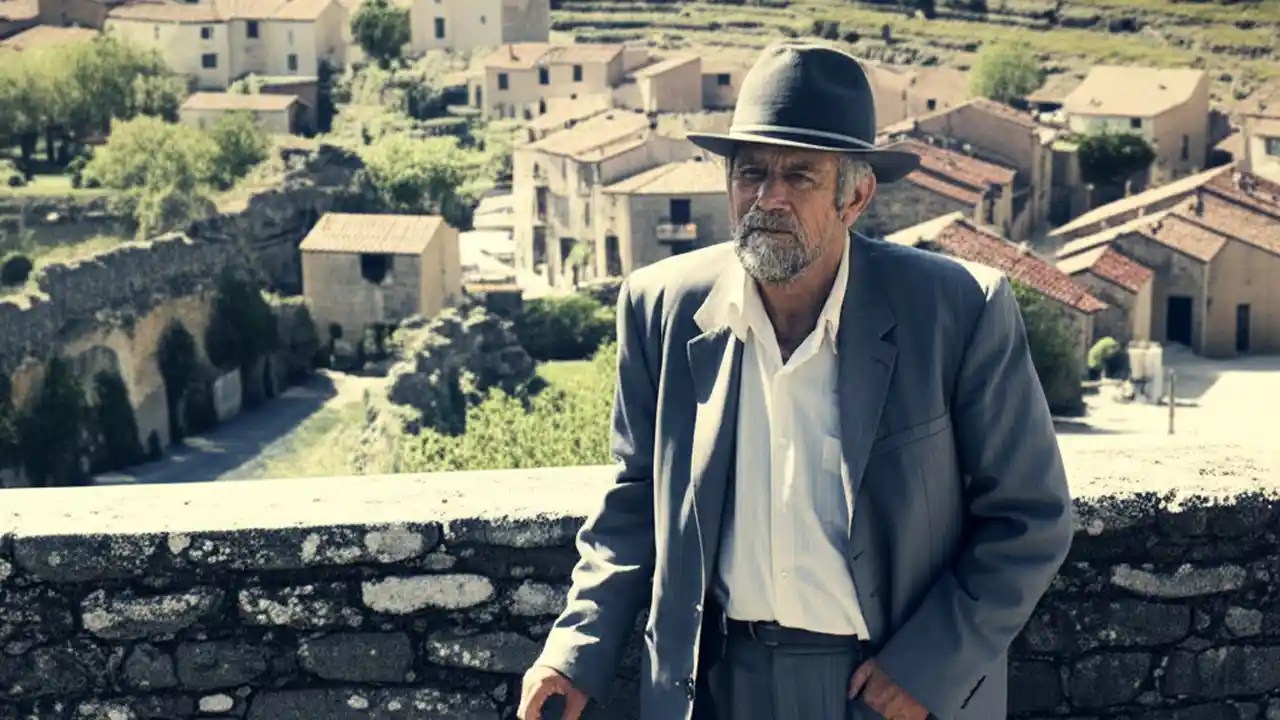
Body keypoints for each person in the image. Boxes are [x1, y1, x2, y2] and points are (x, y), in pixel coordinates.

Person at [517, 40, 1074, 720]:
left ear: (857, 196)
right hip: (718, 688)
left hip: (886, 692)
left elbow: (1029, 518)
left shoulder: (956, 310)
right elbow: (638, 501)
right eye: (751, 173)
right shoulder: (659, 306)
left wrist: (926, 669)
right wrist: (576, 651)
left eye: (800, 177)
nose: (769, 198)